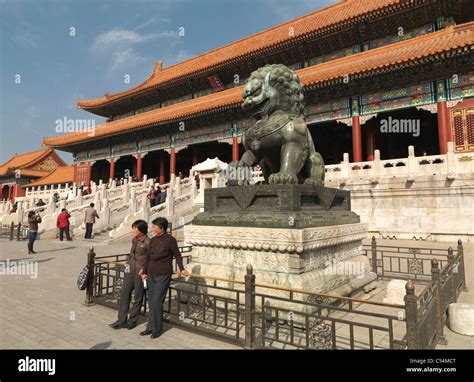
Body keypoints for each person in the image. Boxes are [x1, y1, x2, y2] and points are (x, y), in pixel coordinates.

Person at [140, 217, 189, 338]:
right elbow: (148, 257)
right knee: (151, 300)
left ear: (161, 228)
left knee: (157, 300)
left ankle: (157, 328)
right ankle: (150, 327)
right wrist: (144, 271)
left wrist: (181, 268)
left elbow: (177, 255)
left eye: (154, 226)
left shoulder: (170, 240)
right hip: (151, 273)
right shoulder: (153, 240)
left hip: (163, 274)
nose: (152, 228)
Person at [109, 220, 150, 330]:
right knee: (124, 294)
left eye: (134, 228)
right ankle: (121, 320)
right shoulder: (134, 240)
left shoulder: (148, 242)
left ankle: (132, 320)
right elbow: (132, 255)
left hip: (140, 272)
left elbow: (150, 259)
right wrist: (128, 264)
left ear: (140, 230)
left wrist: (145, 271)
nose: (132, 230)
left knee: (138, 297)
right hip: (130, 270)